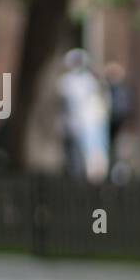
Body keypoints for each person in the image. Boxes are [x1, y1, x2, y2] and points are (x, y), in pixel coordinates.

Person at [56, 48, 109, 181]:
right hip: (73, 124)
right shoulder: (66, 82)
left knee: (95, 154)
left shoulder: (90, 81)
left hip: (91, 123)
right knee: (76, 157)